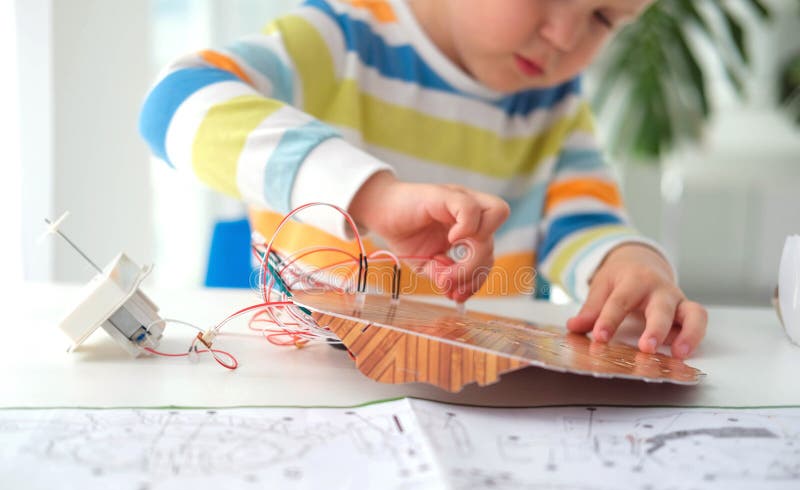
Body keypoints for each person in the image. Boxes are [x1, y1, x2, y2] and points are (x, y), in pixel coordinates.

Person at [139, 0, 707, 358]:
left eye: (604, 18)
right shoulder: (338, 39)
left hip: (476, 402)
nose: (564, 34)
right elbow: (172, 104)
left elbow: (585, 224)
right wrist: (371, 196)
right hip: (304, 380)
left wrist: (630, 266)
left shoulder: (555, 107)